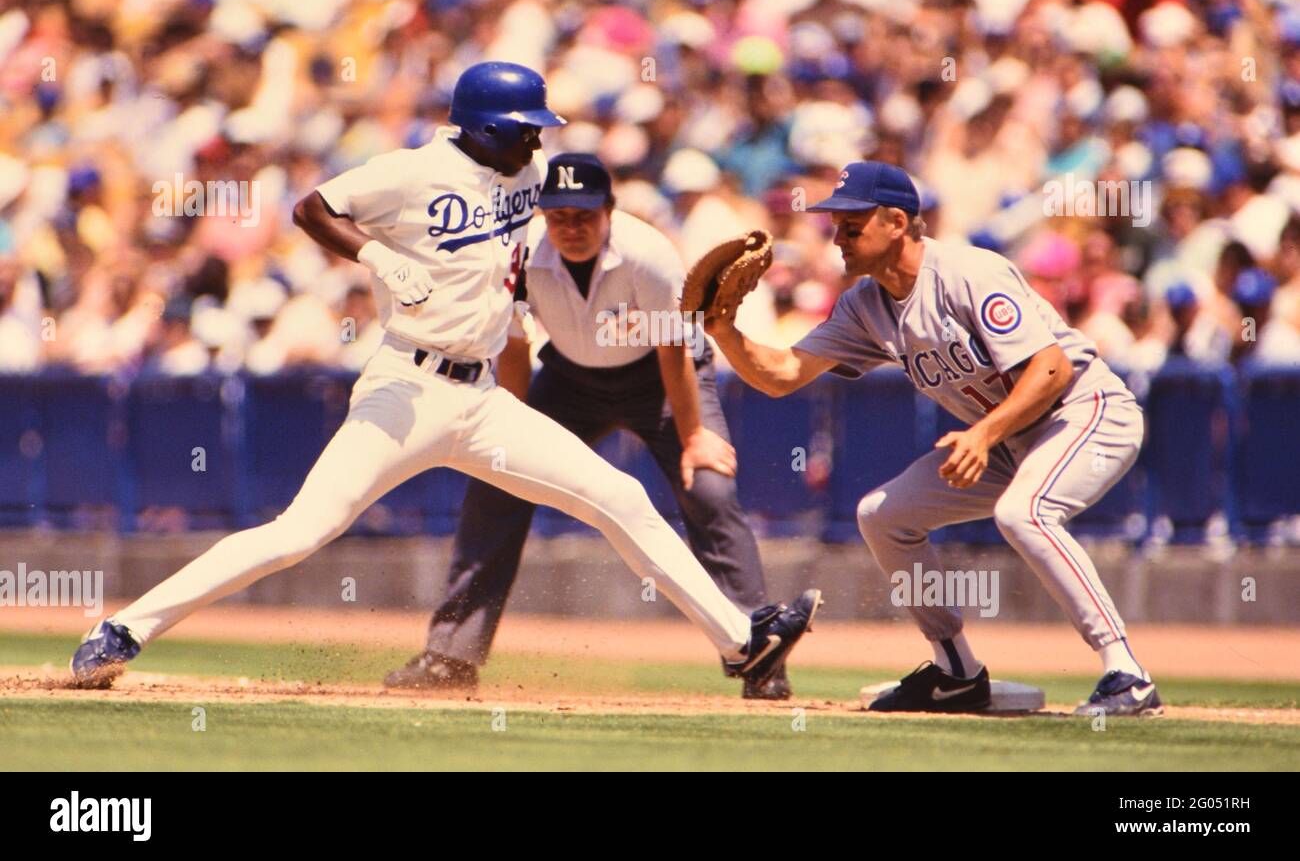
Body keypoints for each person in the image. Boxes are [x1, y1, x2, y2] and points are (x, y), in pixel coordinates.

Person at [69, 62, 820, 693]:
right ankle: (124, 626)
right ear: (486, 128)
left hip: (484, 399)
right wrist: (373, 255)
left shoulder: (527, 177)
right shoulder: (410, 171)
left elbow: (583, 208)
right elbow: (311, 207)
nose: (538, 136)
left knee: (617, 495)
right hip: (407, 388)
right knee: (300, 531)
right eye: (527, 126)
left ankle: (738, 641)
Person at [705, 161, 1161, 716]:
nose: (838, 236)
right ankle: (957, 672)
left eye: (852, 223)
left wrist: (983, 434)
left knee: (1024, 512)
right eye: (835, 224)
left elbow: (1051, 369)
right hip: (1005, 438)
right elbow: (781, 375)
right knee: (882, 515)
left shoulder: (968, 272)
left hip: (1085, 413)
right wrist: (723, 330)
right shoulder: (864, 305)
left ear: (897, 221)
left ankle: (1127, 673)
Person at [384, 153, 790, 699]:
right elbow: (513, 342)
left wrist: (695, 436)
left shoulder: (648, 253)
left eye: (584, 215)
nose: (571, 228)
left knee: (710, 490)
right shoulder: (521, 251)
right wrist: (507, 431)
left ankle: (761, 662)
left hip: (662, 381)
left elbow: (672, 348)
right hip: (569, 380)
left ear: (609, 211)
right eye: (559, 216)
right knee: (495, 489)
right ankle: (450, 656)